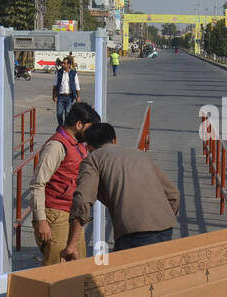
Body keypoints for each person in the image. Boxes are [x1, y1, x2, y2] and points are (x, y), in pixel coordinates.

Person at [62, 122, 179, 258]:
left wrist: (72, 244)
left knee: (128, 277)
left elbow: (82, 201)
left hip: (134, 234)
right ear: (115, 140)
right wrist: (160, 221)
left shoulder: (93, 159)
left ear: (88, 147)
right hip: (165, 228)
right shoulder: (140, 155)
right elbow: (173, 194)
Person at [29, 102, 100, 266]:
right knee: (56, 268)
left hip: (73, 214)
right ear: (79, 124)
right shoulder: (56, 146)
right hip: (55, 216)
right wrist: (41, 221)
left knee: (77, 266)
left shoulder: (77, 145)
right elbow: (37, 184)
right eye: (89, 128)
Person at [52, 55, 81, 127]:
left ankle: (66, 127)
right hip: (60, 96)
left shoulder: (73, 73)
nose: (63, 64)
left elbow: (77, 86)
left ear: (69, 65)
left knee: (68, 113)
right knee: (59, 113)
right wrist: (54, 96)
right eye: (63, 63)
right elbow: (55, 85)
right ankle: (61, 125)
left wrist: (78, 97)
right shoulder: (59, 73)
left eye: (65, 63)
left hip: (69, 97)